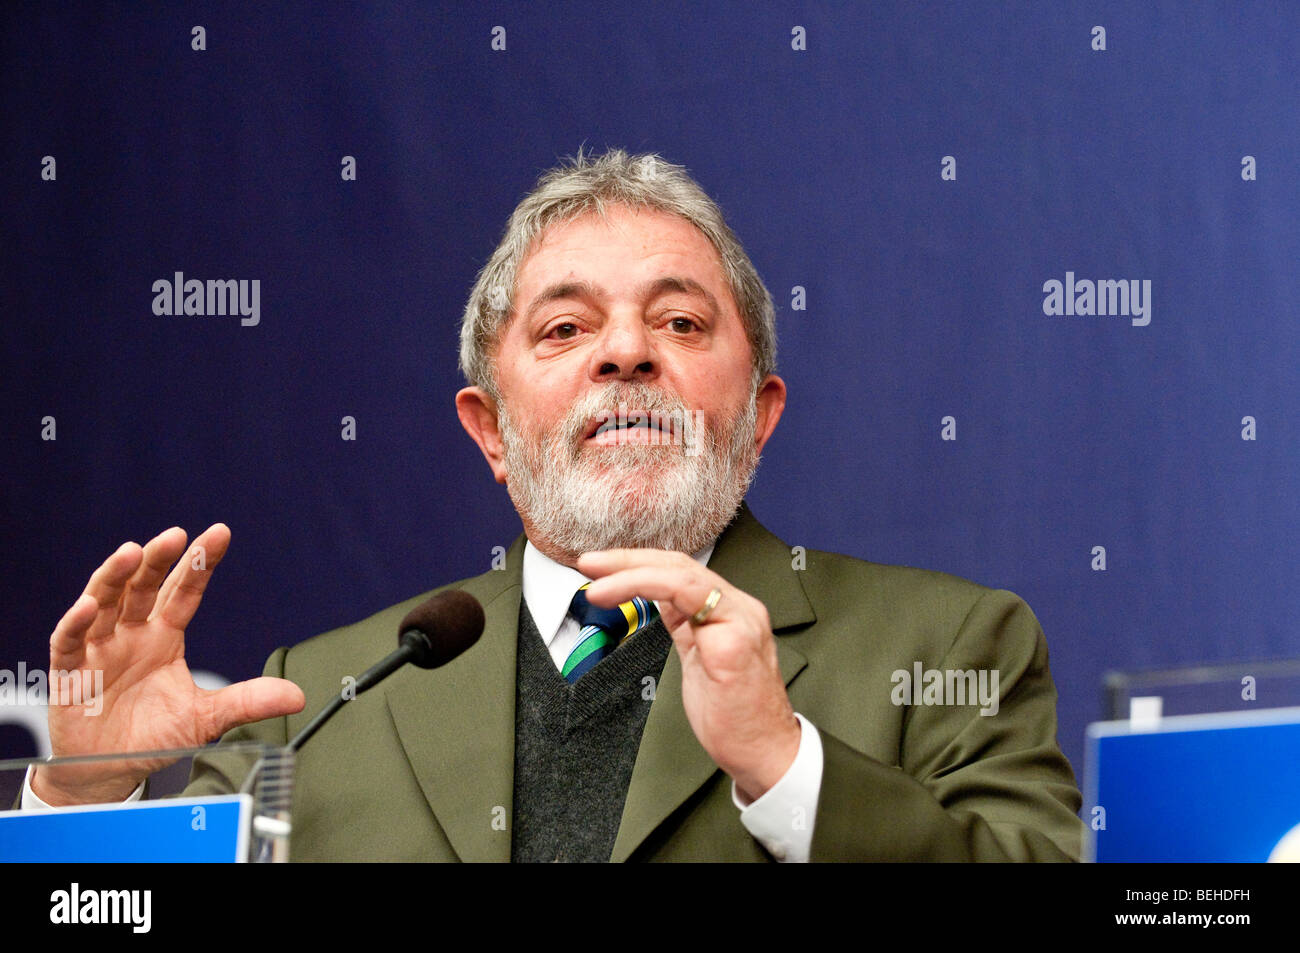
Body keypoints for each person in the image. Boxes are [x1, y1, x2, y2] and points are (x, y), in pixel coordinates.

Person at [24, 148, 1085, 861]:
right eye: (567, 329)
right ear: (490, 430)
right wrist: (80, 801)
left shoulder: (950, 641)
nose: (625, 351)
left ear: (759, 413)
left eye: (677, 321)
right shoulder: (325, 697)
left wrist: (783, 760)